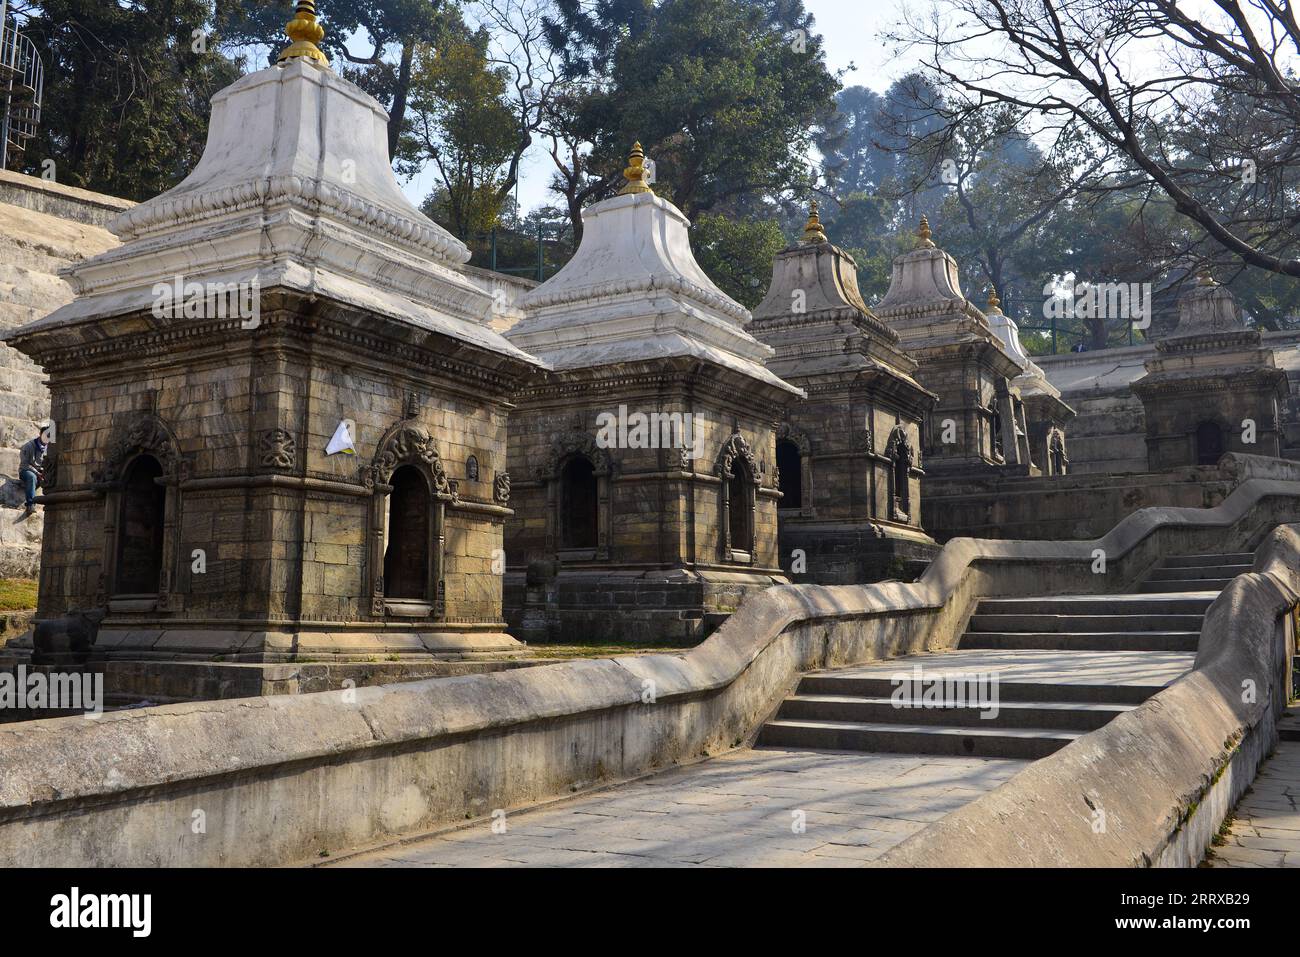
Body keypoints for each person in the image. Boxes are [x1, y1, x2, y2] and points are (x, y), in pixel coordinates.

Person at [17, 424, 50, 522]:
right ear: (40, 434)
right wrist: (37, 473)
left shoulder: (49, 448)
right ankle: (30, 504)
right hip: (26, 471)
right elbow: (25, 464)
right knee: (32, 477)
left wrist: (44, 472)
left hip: (41, 471)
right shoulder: (28, 446)